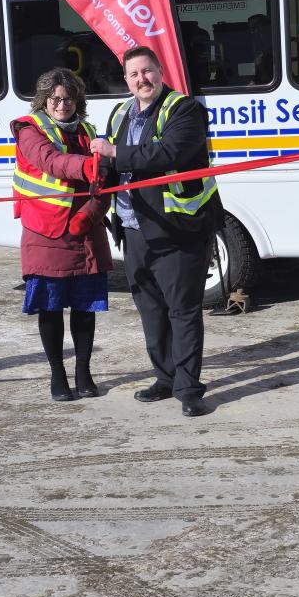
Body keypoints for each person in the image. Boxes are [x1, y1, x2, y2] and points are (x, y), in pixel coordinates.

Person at [89, 46, 219, 418]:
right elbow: (110, 167)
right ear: (126, 79)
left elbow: (169, 154)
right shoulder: (120, 112)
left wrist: (114, 152)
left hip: (178, 229)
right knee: (151, 311)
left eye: (147, 71)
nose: (141, 79)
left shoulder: (185, 109)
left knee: (183, 311)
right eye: (134, 74)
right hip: (133, 229)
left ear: (160, 71)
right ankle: (165, 378)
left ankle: (189, 390)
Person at [11, 68, 112, 401]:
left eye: (69, 98)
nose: (62, 104)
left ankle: (83, 373)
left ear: (77, 100)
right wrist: (86, 166)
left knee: (85, 309)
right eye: (55, 98)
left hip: (86, 232)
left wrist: (91, 213)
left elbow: (105, 183)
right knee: (50, 309)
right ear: (44, 100)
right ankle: (58, 376)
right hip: (47, 233)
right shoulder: (29, 130)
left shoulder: (89, 131)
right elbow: (50, 161)